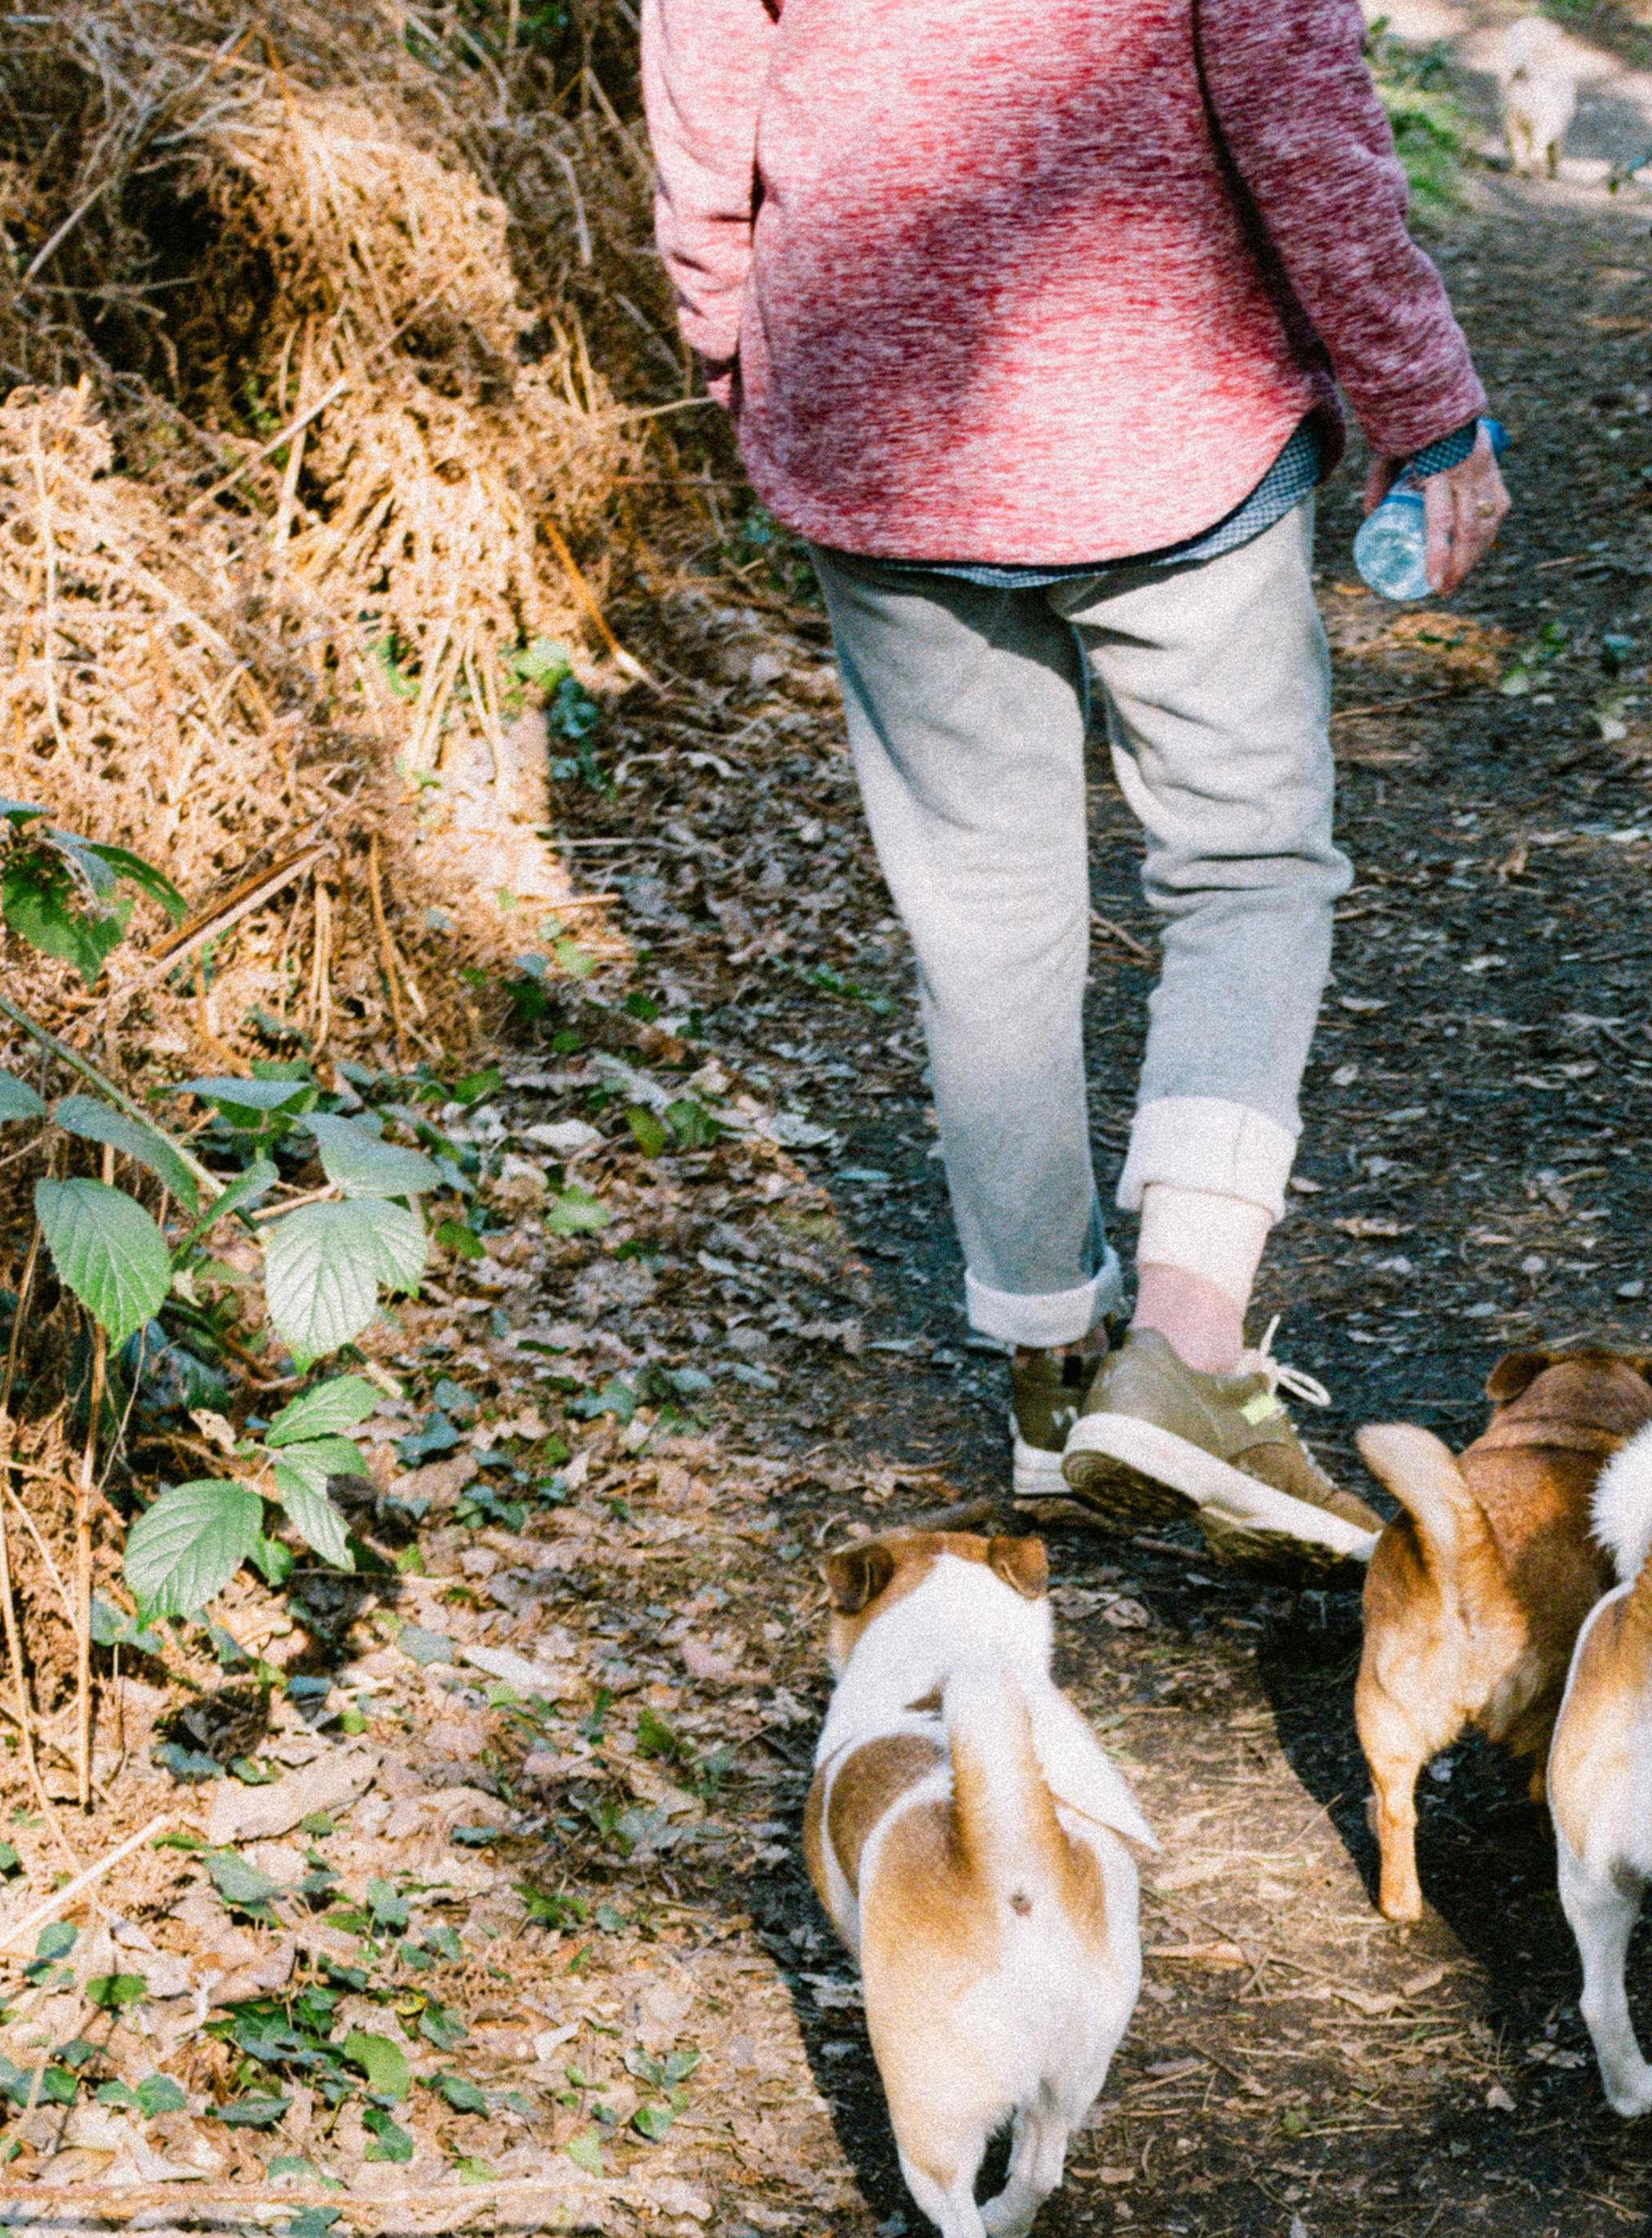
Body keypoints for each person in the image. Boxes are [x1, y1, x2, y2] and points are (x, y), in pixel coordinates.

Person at [641, 0, 1511, 1570]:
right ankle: (1183, 1345)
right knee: (1246, 866)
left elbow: (706, 93)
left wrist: (736, 344)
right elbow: (1296, 106)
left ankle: (1048, 1392)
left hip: (876, 412)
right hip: (1174, 420)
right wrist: (1424, 403)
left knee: (981, 913)